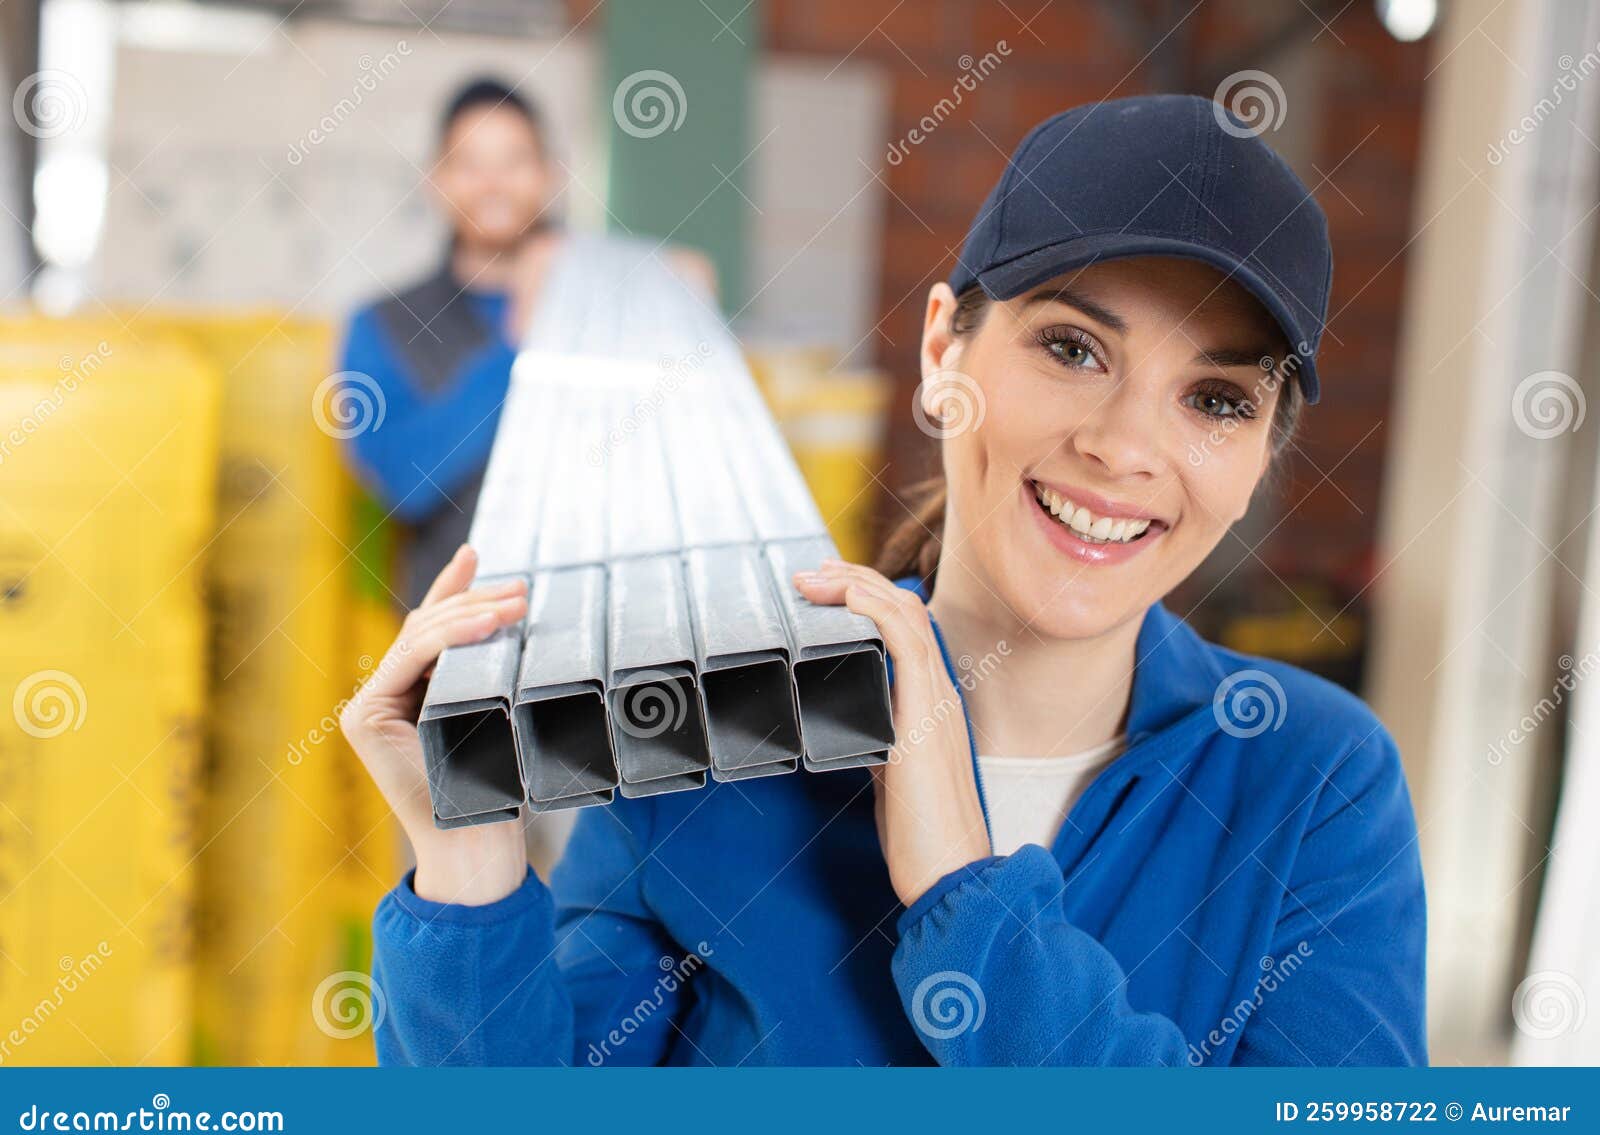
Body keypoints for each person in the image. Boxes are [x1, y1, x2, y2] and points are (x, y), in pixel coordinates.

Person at [340, 94, 1426, 1066]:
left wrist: (969, 900)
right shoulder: (716, 728)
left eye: (1217, 400)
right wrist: (467, 871)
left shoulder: (1309, 781)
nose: (1125, 446)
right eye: (1073, 349)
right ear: (944, 350)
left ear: (1262, 456)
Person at [338, 78, 712, 609]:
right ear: (436, 181)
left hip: (599, 622)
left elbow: (677, 457)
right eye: (469, 164)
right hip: (448, 640)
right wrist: (523, 339)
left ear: (551, 176)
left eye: (514, 161)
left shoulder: (615, 302)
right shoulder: (382, 324)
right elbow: (404, 483)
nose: (493, 184)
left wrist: (674, 297)